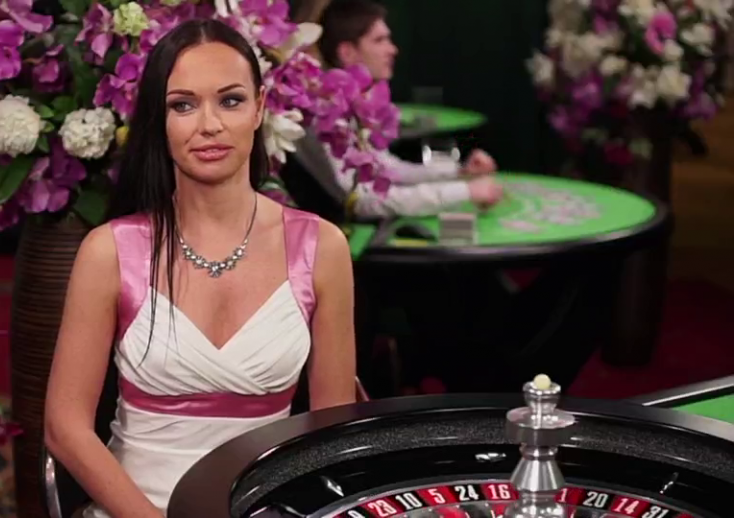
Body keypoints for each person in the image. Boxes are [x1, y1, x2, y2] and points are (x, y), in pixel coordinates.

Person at [43, 19, 358, 518]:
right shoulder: (108, 252)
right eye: (183, 105)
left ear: (259, 108)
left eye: (230, 100)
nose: (209, 124)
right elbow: (65, 428)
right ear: (159, 119)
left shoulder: (323, 248)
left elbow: (332, 432)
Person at [316, 0, 504, 217]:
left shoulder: (352, 104)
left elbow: (389, 169)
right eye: (379, 40)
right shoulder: (328, 113)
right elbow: (361, 201)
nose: (392, 49)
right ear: (347, 52)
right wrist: (464, 191)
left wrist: (459, 172)